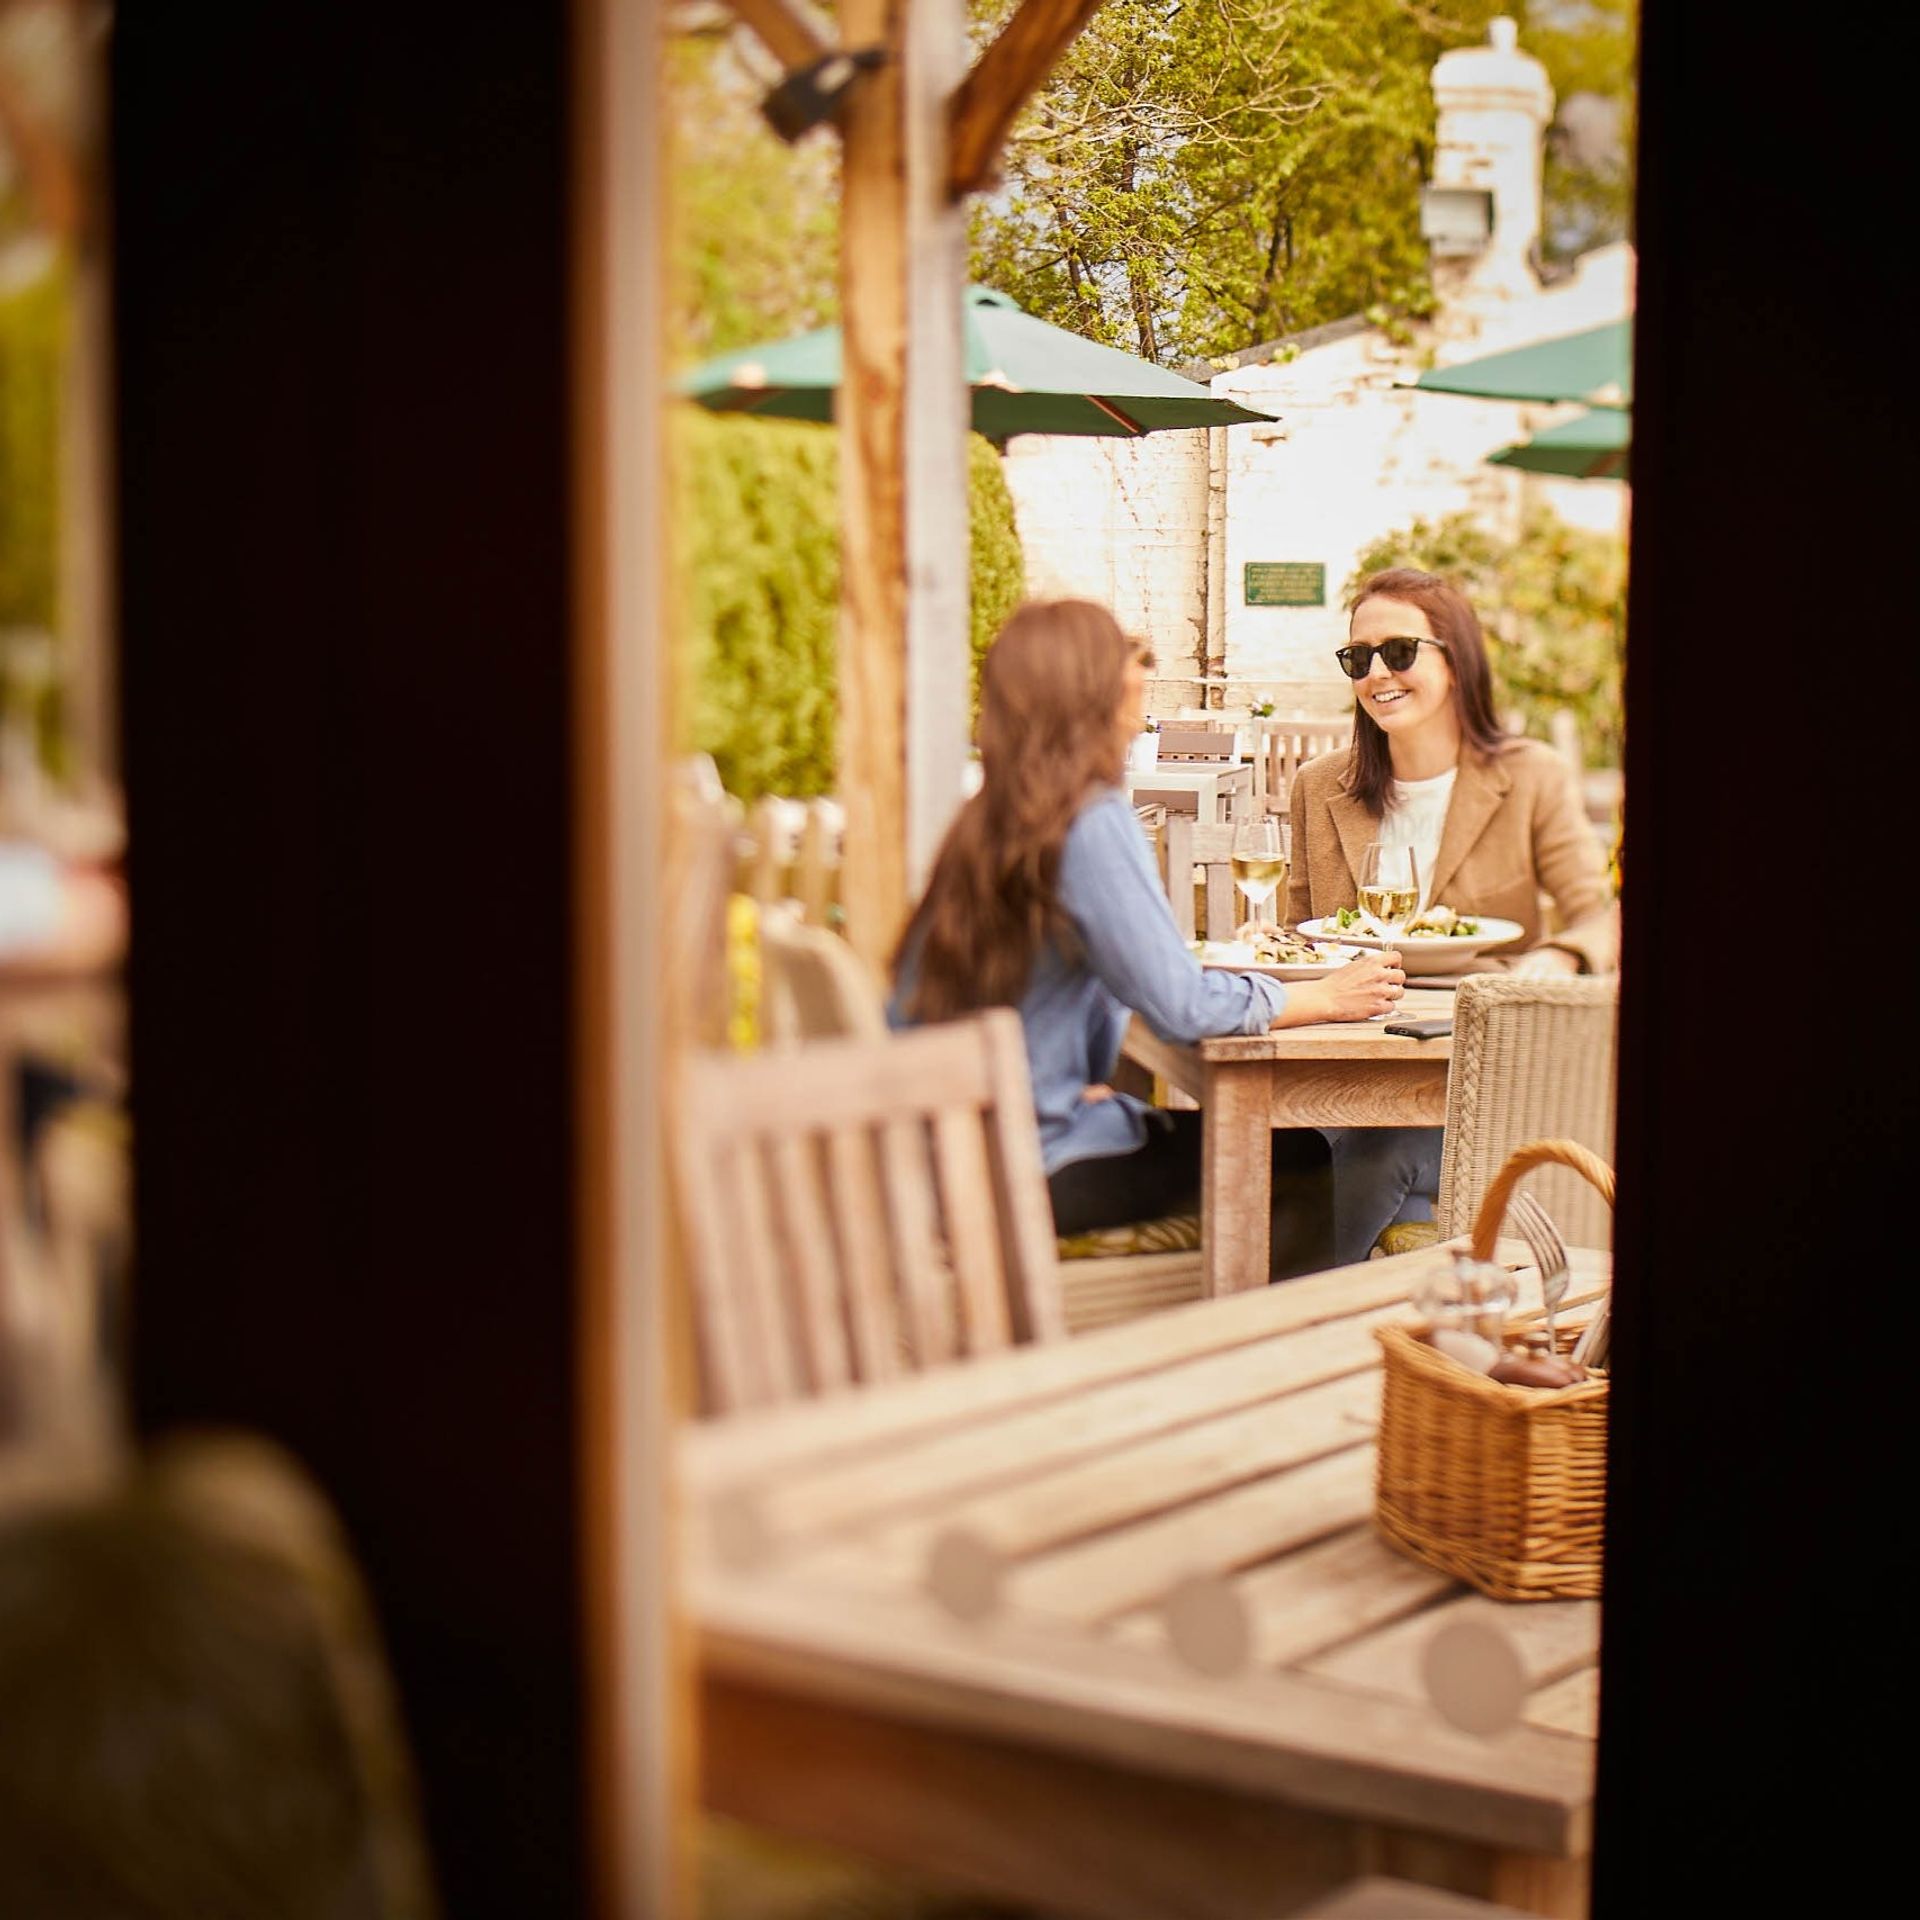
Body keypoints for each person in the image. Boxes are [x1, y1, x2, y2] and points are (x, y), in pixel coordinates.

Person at [890, 598, 1407, 1283]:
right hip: (1030, 1171)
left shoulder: (988, 822)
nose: (1137, 720)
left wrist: (1054, 1084)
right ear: (1088, 703)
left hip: (954, 1155)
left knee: (1223, 1141)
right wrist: (1326, 998)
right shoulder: (1092, 820)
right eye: (1128, 697)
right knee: (1297, 1156)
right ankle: (1260, 1354)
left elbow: (921, 1009)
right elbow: (1183, 1007)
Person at [1284, 567, 1619, 1262]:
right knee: (1298, 1157)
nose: (1378, 673)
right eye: (1359, 658)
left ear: (1457, 661)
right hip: (1344, 1070)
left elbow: (1600, 919)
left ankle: (1283, 1323)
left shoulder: (1530, 777)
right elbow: (1298, 942)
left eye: (1400, 652)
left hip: (1478, 1081)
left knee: (1382, 1157)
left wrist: (1562, 955)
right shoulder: (1318, 789)